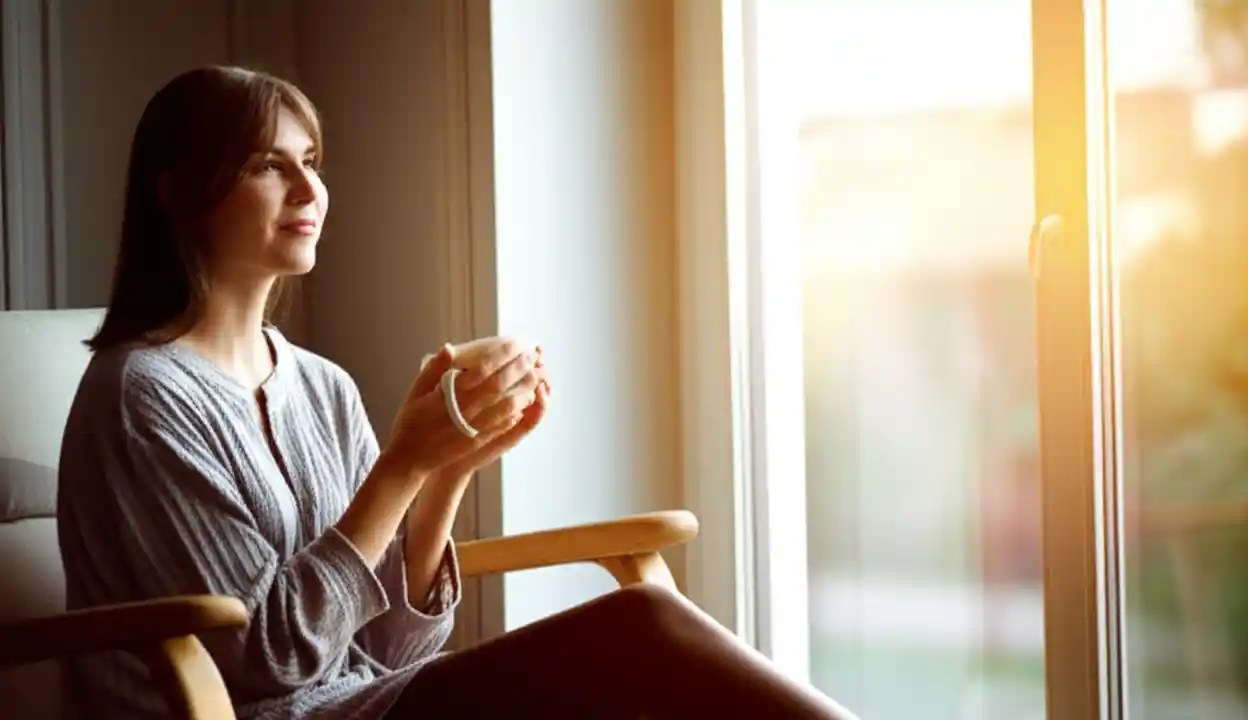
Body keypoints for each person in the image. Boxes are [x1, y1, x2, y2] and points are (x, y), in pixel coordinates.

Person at [56, 65, 855, 719]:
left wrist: (449, 468)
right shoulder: (143, 395)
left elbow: (394, 648)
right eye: (268, 164)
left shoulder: (320, 387)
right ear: (178, 192)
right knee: (638, 632)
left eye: (312, 161)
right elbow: (265, 665)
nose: (308, 188)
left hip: (363, 702)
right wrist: (402, 465)